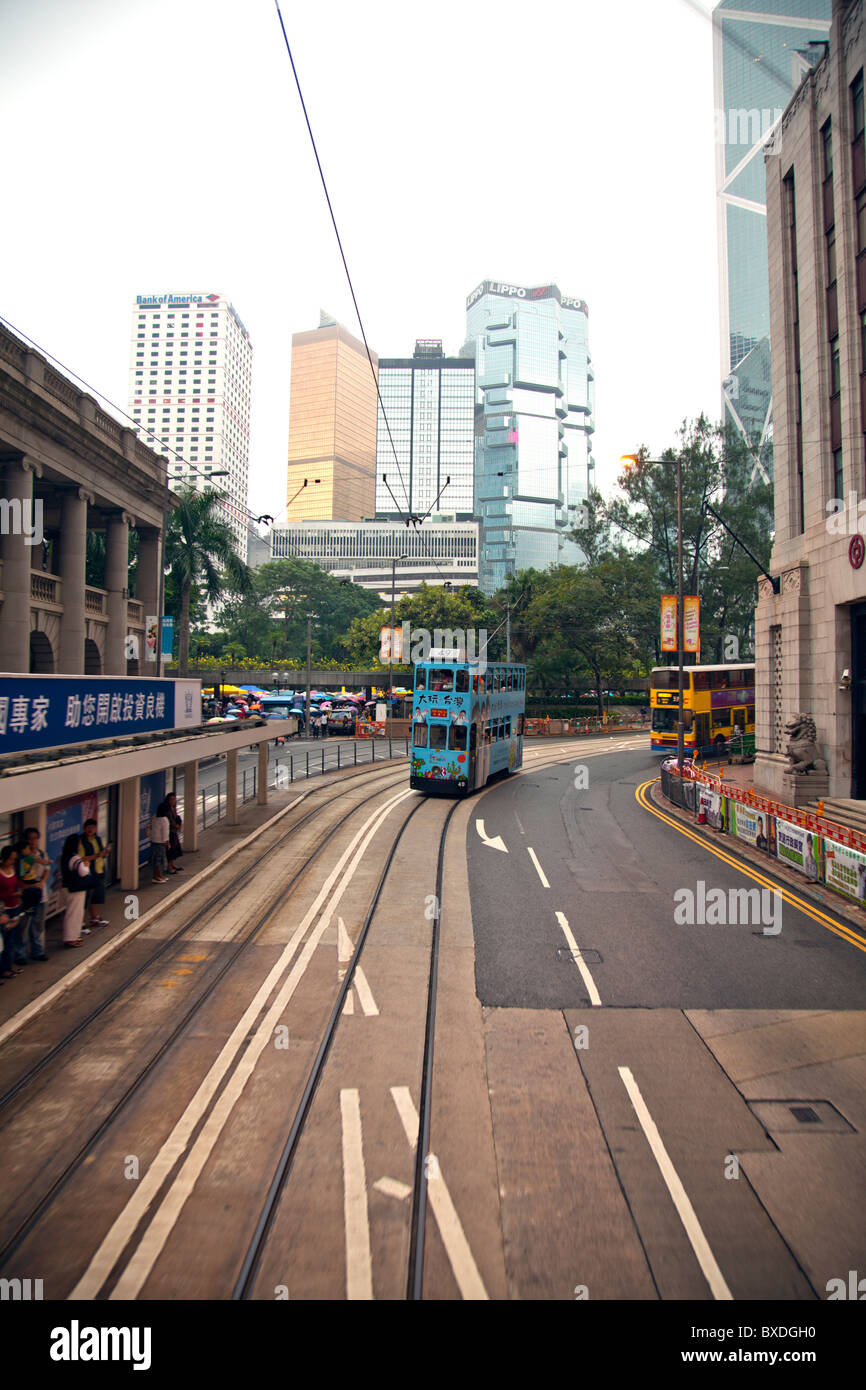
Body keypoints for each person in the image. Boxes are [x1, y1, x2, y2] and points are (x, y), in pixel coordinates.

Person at [18, 827, 51, 961]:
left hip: (40, 894)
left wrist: (42, 881)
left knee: (38, 924)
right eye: (29, 839)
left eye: (35, 838)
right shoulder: (23, 858)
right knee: (23, 925)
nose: (32, 841)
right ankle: (20, 954)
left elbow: (47, 870)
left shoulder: (42, 854)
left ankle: (37, 951)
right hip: (27, 894)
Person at [60, 833, 93, 946]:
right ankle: (71, 939)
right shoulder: (75, 858)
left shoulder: (64, 856)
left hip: (67, 887)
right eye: (79, 843)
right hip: (76, 889)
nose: (80, 845)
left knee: (71, 913)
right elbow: (83, 872)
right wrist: (87, 865)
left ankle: (72, 936)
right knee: (75, 913)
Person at [79, 818, 111, 929]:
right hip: (88, 873)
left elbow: (102, 855)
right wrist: (97, 855)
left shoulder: (97, 839)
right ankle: (80, 922)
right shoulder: (81, 841)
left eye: (93, 827)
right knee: (85, 898)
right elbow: (81, 858)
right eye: (88, 827)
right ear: (84, 829)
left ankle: (95, 918)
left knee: (96, 897)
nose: (90, 830)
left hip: (99, 871)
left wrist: (105, 853)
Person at [0, 845, 25, 975]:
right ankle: (3, 969)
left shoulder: (13, 869)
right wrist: (11, 895)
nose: (12, 862)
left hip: (15, 907)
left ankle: (9, 966)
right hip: (4, 911)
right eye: (10, 859)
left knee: (12, 939)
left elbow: (17, 885)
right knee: (3, 941)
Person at [150, 804, 170, 884]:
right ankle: (157, 877)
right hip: (161, 842)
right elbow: (165, 833)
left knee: (155, 859)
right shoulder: (164, 819)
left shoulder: (154, 817)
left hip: (154, 840)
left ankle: (158, 876)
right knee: (160, 860)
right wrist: (168, 843)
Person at [164, 792, 184, 874]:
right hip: (170, 832)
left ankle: (172, 864)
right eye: (171, 799)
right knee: (170, 850)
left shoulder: (173, 808)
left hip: (174, 831)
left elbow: (176, 817)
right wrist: (176, 825)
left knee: (175, 848)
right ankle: (169, 867)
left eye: (174, 799)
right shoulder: (167, 809)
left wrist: (178, 824)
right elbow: (169, 820)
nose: (173, 801)